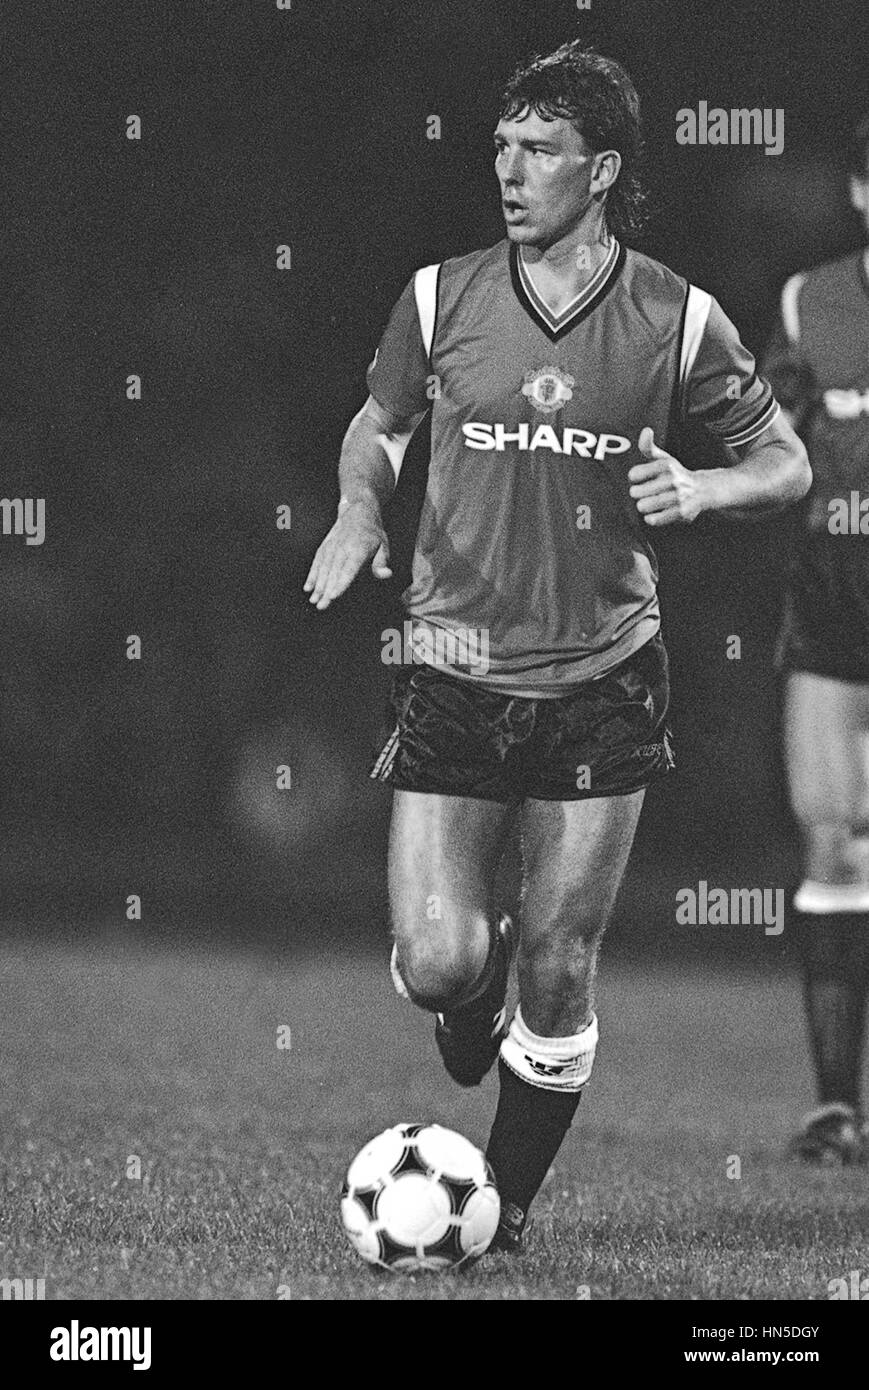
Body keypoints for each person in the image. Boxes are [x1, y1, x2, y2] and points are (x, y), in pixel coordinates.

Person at [305, 41, 810, 1250]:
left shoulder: (675, 318)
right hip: (452, 665)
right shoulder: (440, 296)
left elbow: (784, 461)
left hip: (602, 674)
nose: (509, 170)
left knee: (559, 957)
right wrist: (359, 508)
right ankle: (462, 1003)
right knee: (438, 959)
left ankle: (505, 1206)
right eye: (499, 147)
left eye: (537, 149)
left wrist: (703, 487)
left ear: (600, 170)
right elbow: (375, 430)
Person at [762, 112, 869, 1165]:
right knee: (832, 839)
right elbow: (768, 436)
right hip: (833, 609)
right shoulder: (808, 301)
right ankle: (835, 1107)